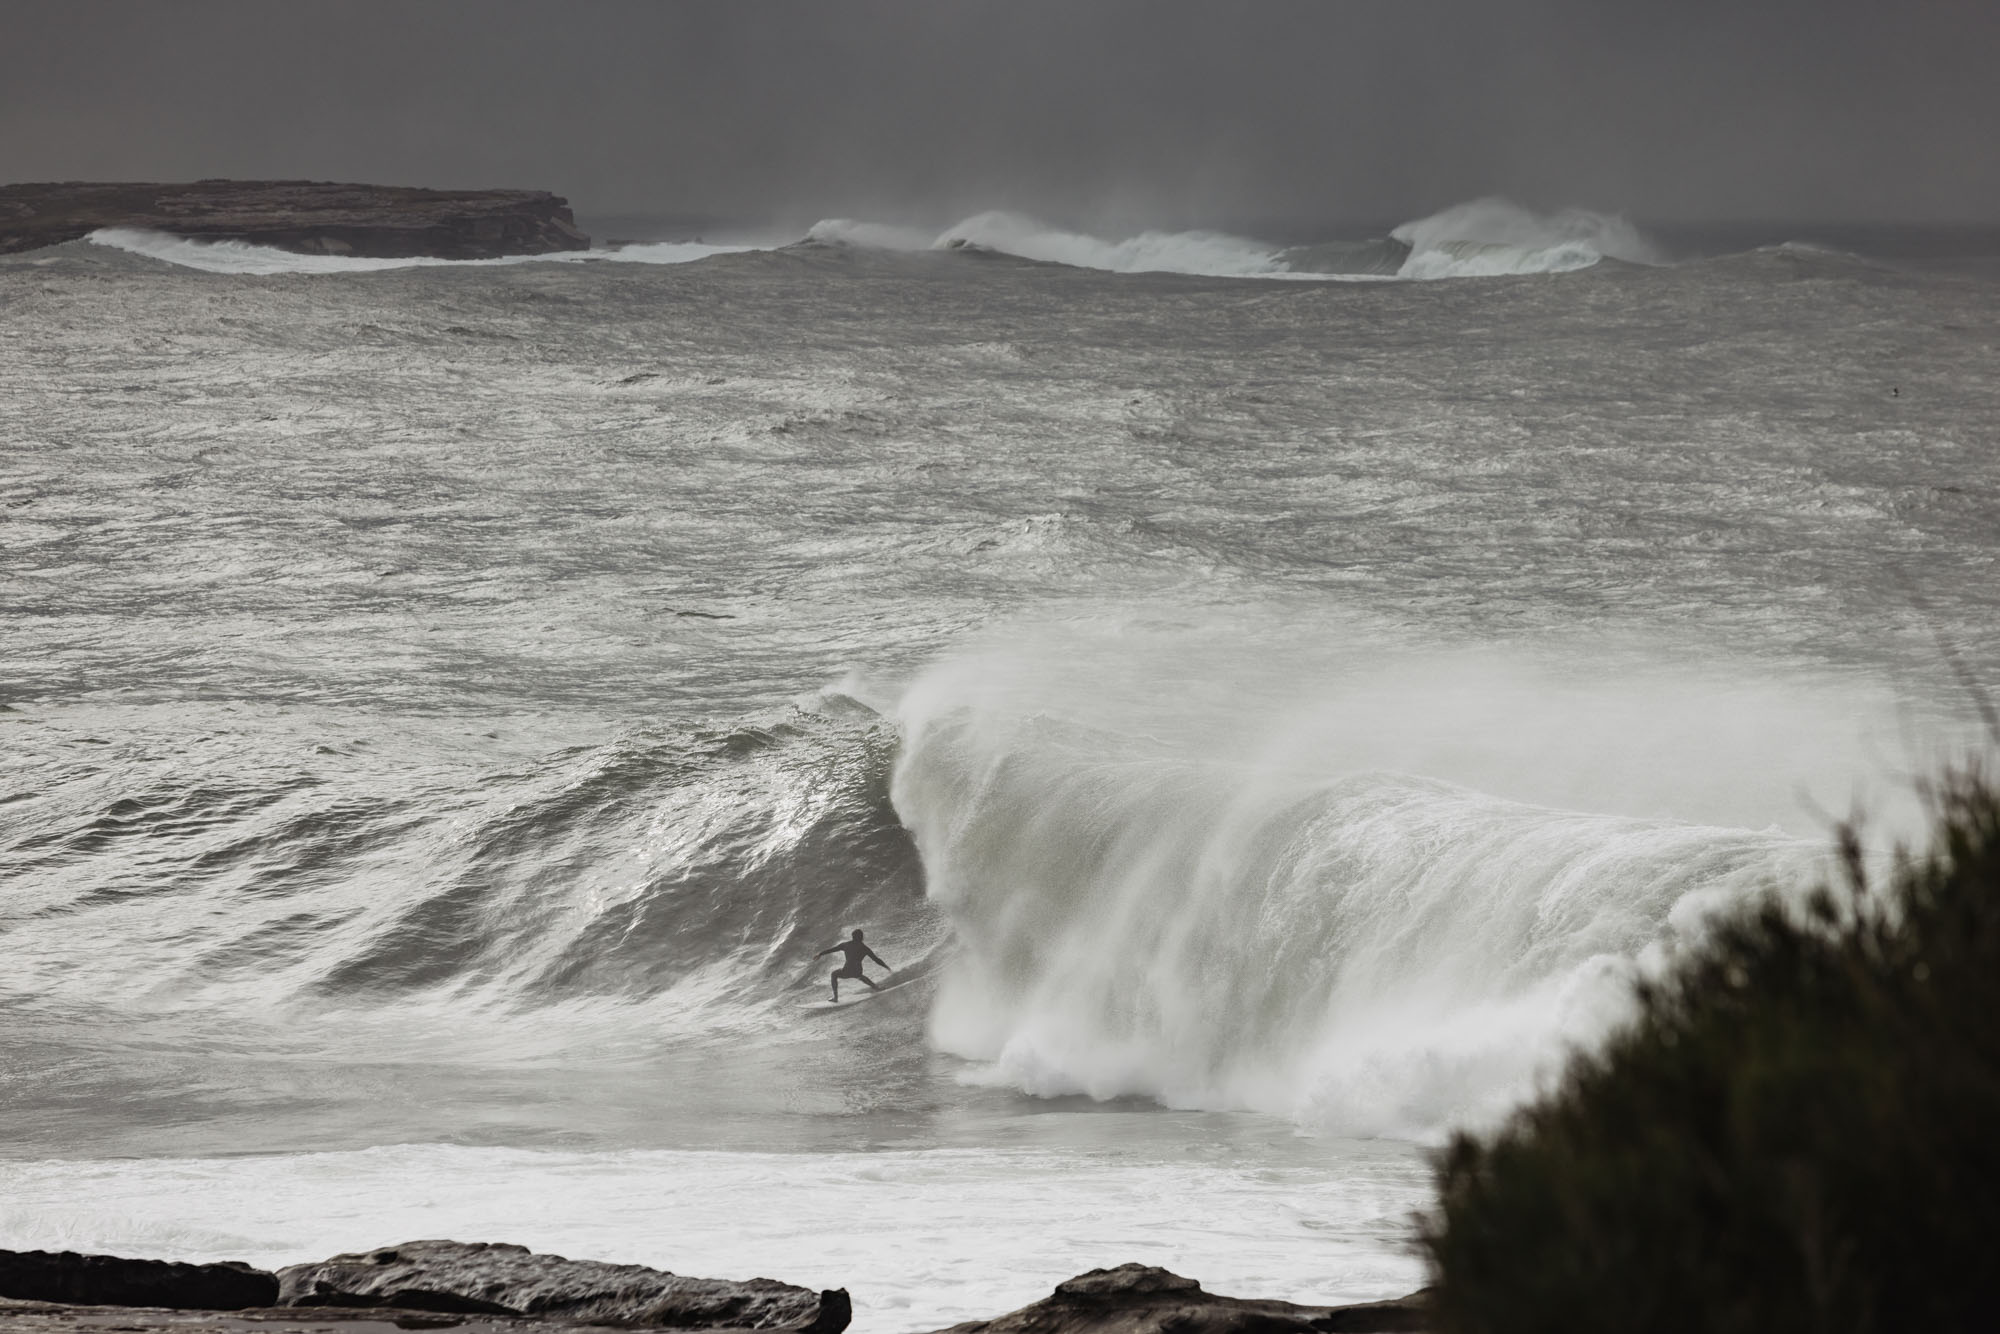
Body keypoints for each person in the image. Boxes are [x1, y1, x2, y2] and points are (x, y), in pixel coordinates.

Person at [815, 929, 890, 1001]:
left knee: (834, 974)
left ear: (852, 937)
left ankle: (835, 998)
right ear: (862, 937)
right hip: (858, 970)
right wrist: (887, 967)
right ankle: (876, 988)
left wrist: (820, 954)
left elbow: (832, 950)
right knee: (860, 976)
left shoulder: (845, 945)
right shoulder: (864, 948)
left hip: (847, 970)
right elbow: (876, 960)